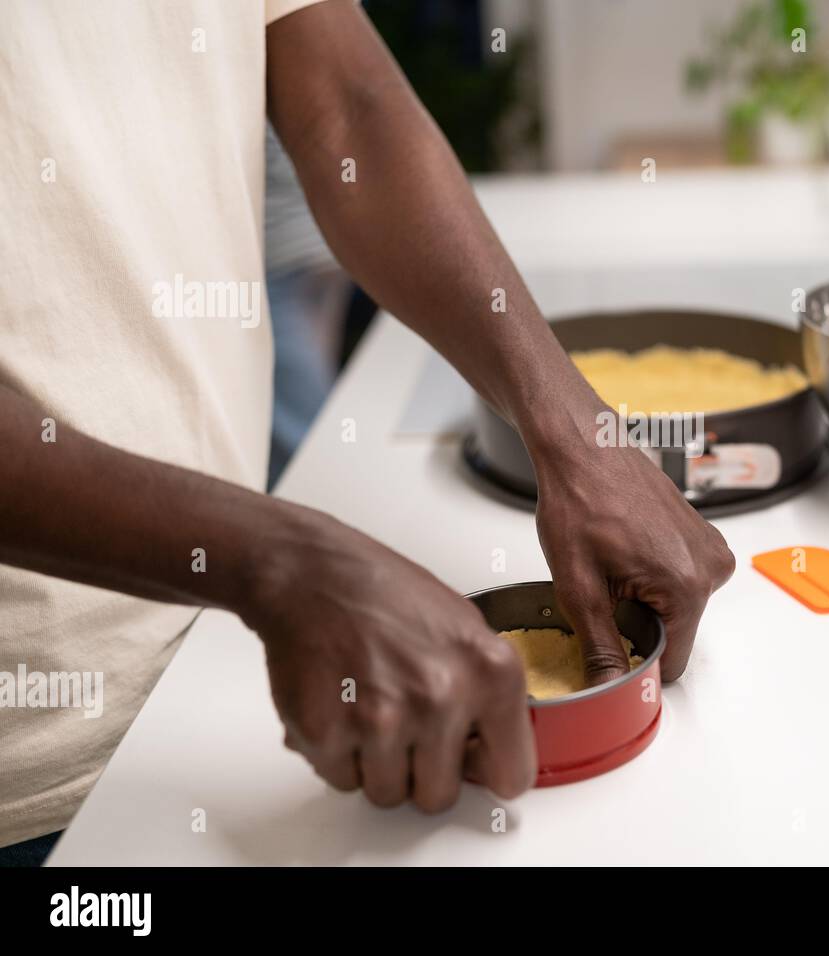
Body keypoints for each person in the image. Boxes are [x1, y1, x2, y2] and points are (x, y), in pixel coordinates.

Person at [0, 0, 734, 864]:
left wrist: (576, 433)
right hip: (38, 766)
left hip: (223, 654)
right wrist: (279, 559)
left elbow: (348, 105)